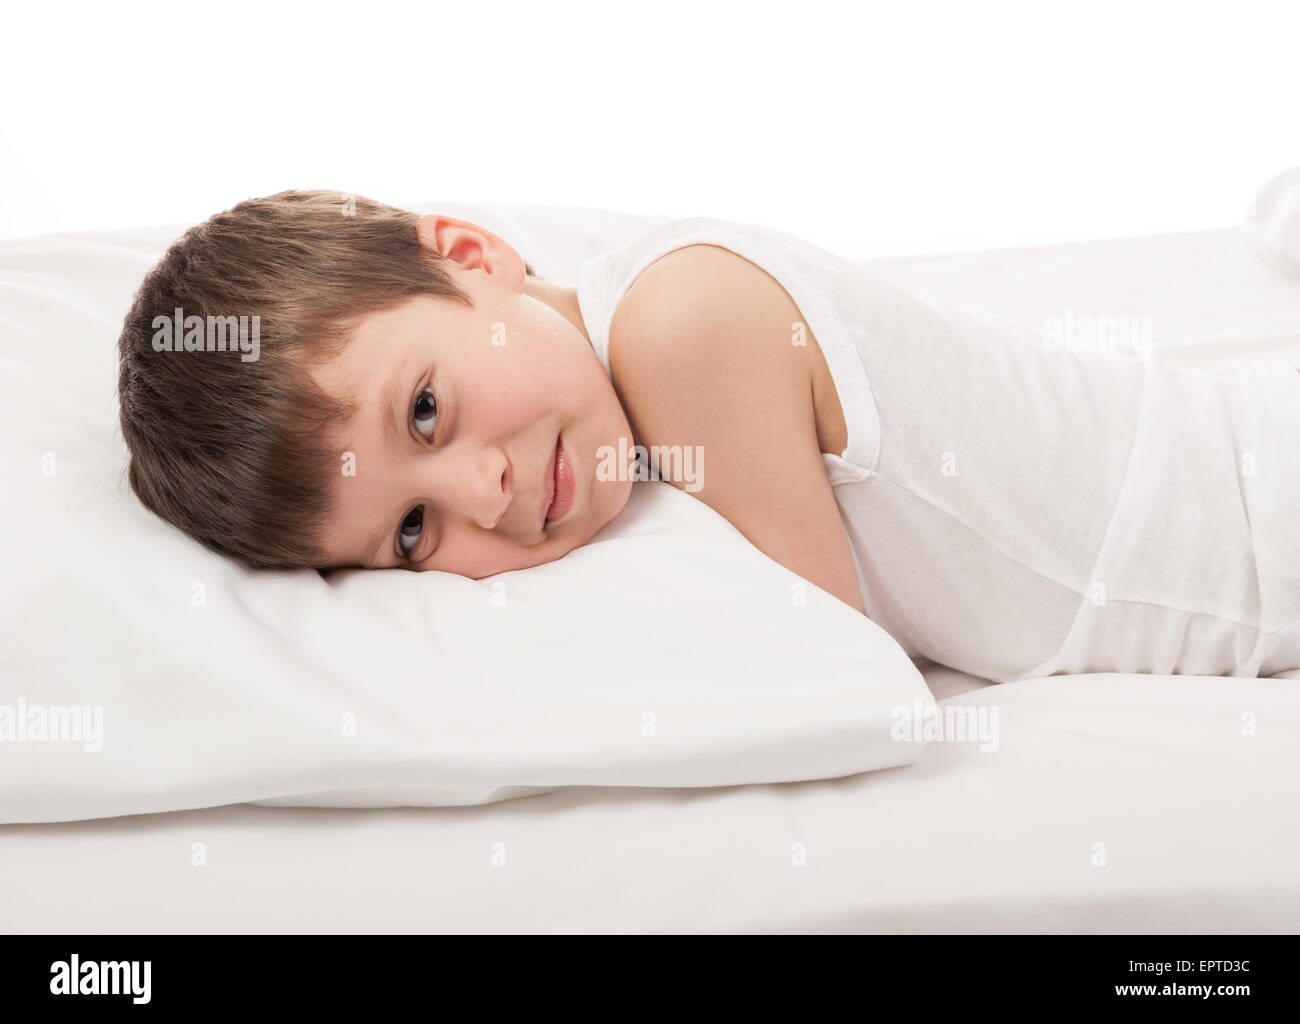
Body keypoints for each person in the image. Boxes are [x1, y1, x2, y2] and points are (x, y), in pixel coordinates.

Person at [117, 190, 1300, 681]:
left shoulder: (686, 329)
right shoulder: (624, 381)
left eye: (425, 407)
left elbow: (835, 680)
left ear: (471, 255)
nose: (480, 491)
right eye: (411, 532)